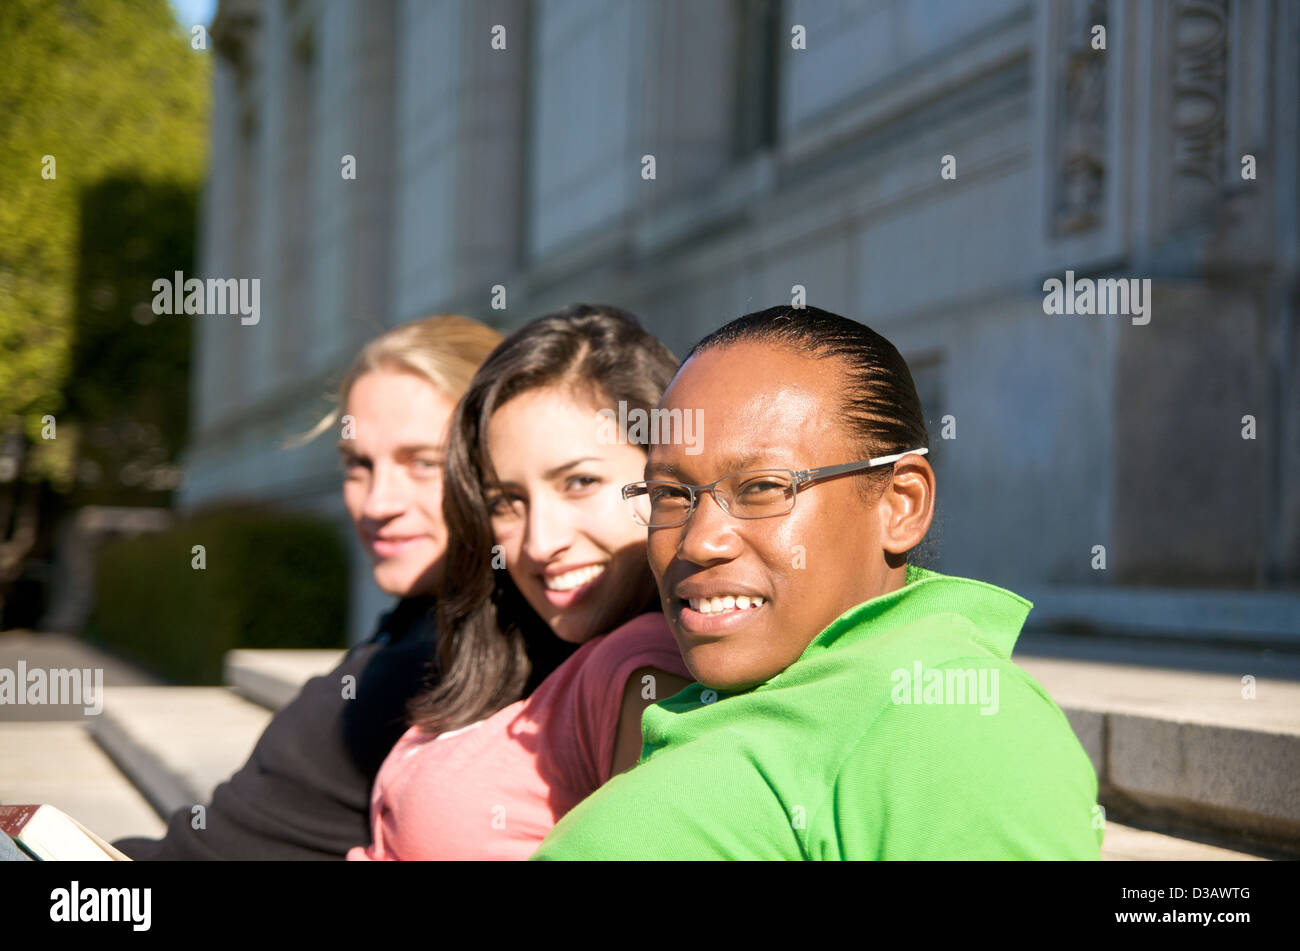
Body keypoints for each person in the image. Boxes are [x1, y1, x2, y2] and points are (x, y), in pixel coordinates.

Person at [532, 305, 1104, 860]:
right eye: (670, 495)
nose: (699, 541)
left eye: (761, 487)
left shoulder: (953, 718)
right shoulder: (766, 694)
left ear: (900, 505)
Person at [113, 314, 554, 859]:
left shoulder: (446, 665)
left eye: (423, 463)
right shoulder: (422, 624)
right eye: (357, 466)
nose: (377, 504)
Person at [348, 304, 694, 860]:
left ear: (667, 477)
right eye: (507, 502)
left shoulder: (643, 664)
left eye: (579, 481)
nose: (538, 543)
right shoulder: (524, 656)